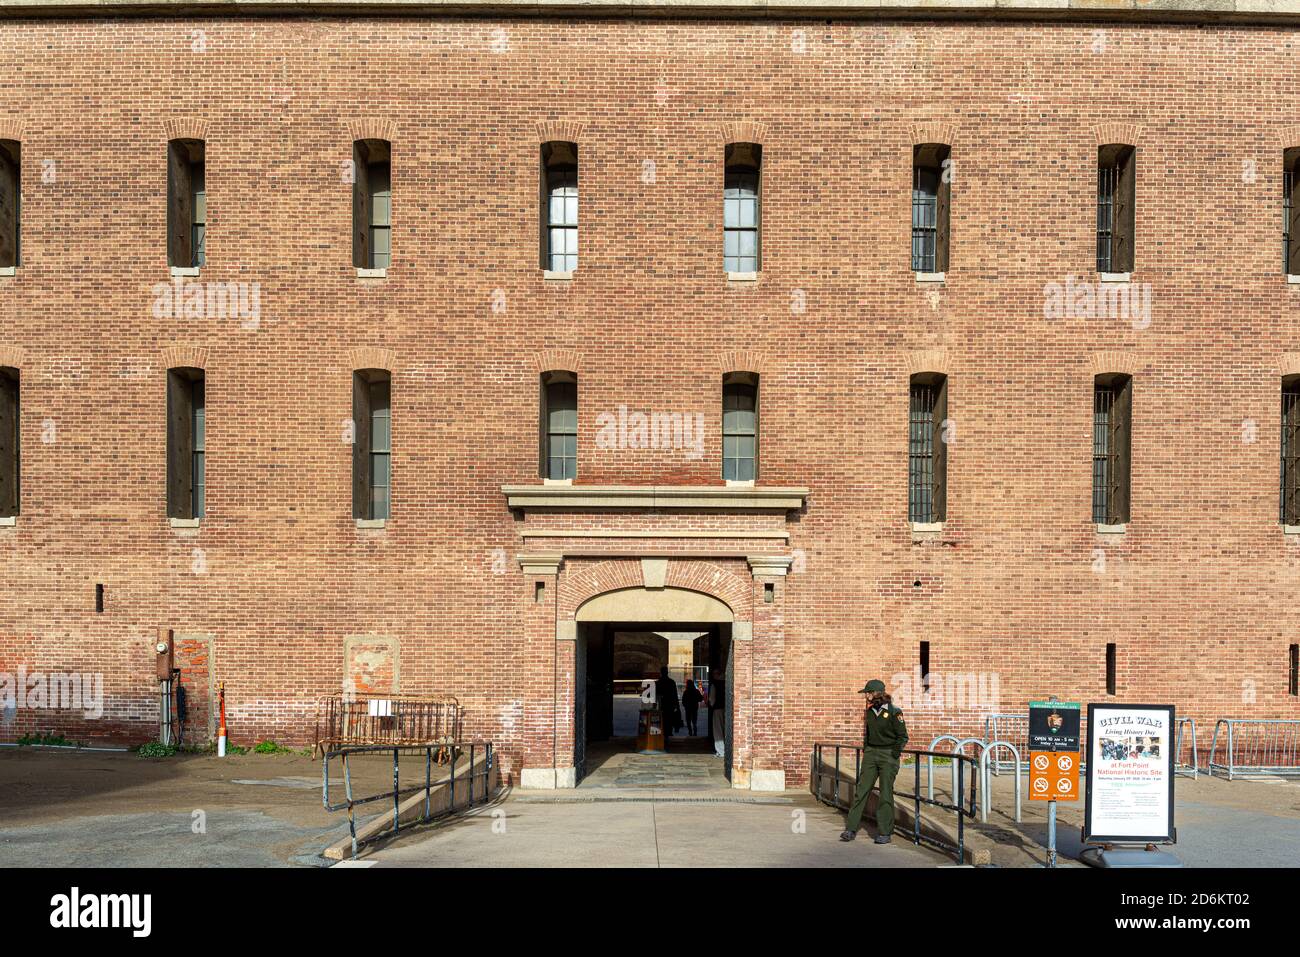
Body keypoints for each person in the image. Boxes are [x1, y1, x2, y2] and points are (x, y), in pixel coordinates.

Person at [840, 678, 908, 845]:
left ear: (876, 693)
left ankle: (885, 832)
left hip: (888, 756)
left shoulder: (894, 712)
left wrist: (894, 754)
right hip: (871, 754)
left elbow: (903, 737)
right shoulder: (870, 712)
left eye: (868, 693)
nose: (866, 696)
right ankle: (850, 829)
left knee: (885, 793)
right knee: (861, 791)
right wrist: (867, 750)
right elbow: (868, 735)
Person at [656, 666, 680, 741]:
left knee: (663, 719)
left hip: (662, 704)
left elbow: (656, 694)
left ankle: (663, 733)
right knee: (669, 719)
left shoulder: (658, 682)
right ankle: (668, 733)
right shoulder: (671, 682)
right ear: (667, 672)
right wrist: (677, 705)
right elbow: (675, 695)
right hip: (670, 704)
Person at [708, 671, 725, 757]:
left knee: (718, 730)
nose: (713, 675)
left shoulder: (715, 684)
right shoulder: (726, 682)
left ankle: (721, 751)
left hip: (717, 709)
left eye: (714, 674)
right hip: (726, 709)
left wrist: (711, 705)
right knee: (725, 730)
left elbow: (712, 699)